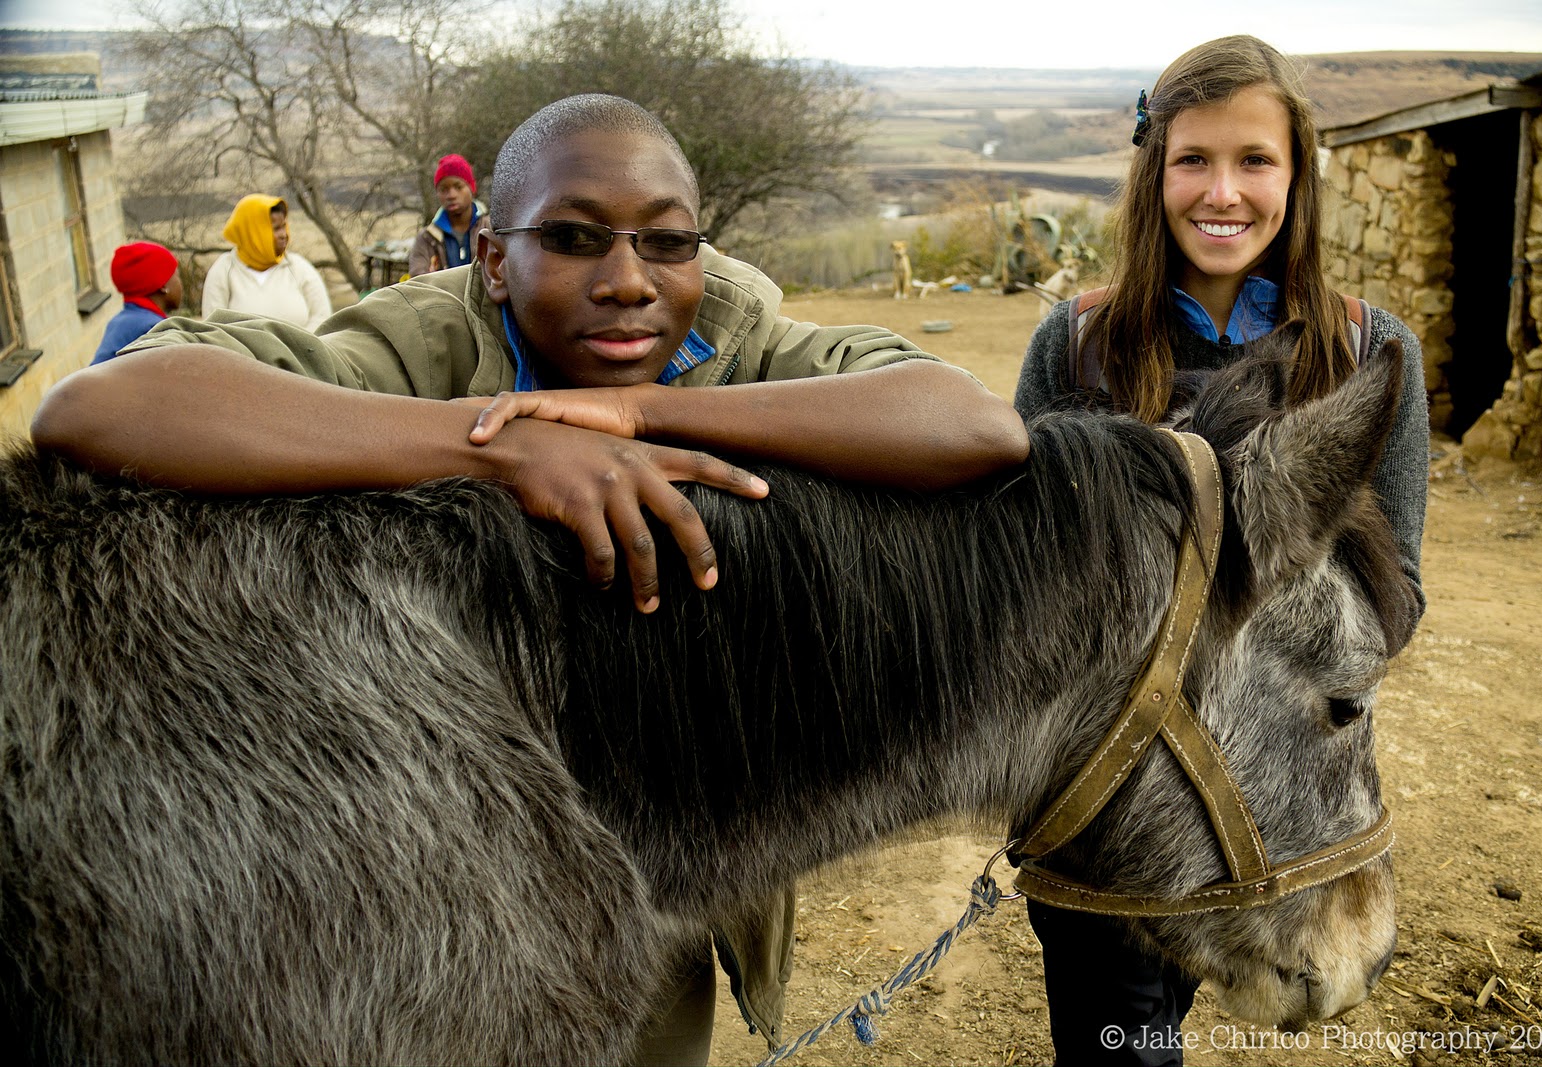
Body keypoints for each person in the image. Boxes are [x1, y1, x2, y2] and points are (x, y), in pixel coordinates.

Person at [32, 93, 1030, 1065]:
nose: (629, 279)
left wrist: (642, 413)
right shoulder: (423, 339)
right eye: (572, 237)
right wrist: (502, 448)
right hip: (438, 840)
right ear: (494, 259)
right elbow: (103, 407)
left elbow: (971, 425)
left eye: (667, 240)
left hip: (662, 837)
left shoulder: (732, 330)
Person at [1010, 35, 1429, 1067]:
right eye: (1193, 159)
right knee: (1121, 1043)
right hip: (1107, 775)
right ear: (1154, 169)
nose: (1223, 192)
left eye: (1255, 160)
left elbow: (1398, 600)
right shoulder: (1077, 343)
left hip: (1266, 770)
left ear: (1298, 174)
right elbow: (1018, 578)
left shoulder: (1369, 351)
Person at [201, 194, 332, 330]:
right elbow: (213, 329)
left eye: (284, 226)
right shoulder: (224, 271)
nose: (284, 235)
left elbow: (322, 319)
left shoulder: (299, 268)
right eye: (276, 228)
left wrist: (297, 342)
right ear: (252, 232)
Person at [92, 241, 184, 365]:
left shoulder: (121, 321)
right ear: (163, 285)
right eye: (177, 276)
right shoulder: (153, 329)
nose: (180, 284)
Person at [409, 153, 489, 276]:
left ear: (471, 188)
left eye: (458, 187)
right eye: (443, 189)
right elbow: (417, 280)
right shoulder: (427, 238)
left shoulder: (491, 229)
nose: (451, 195)